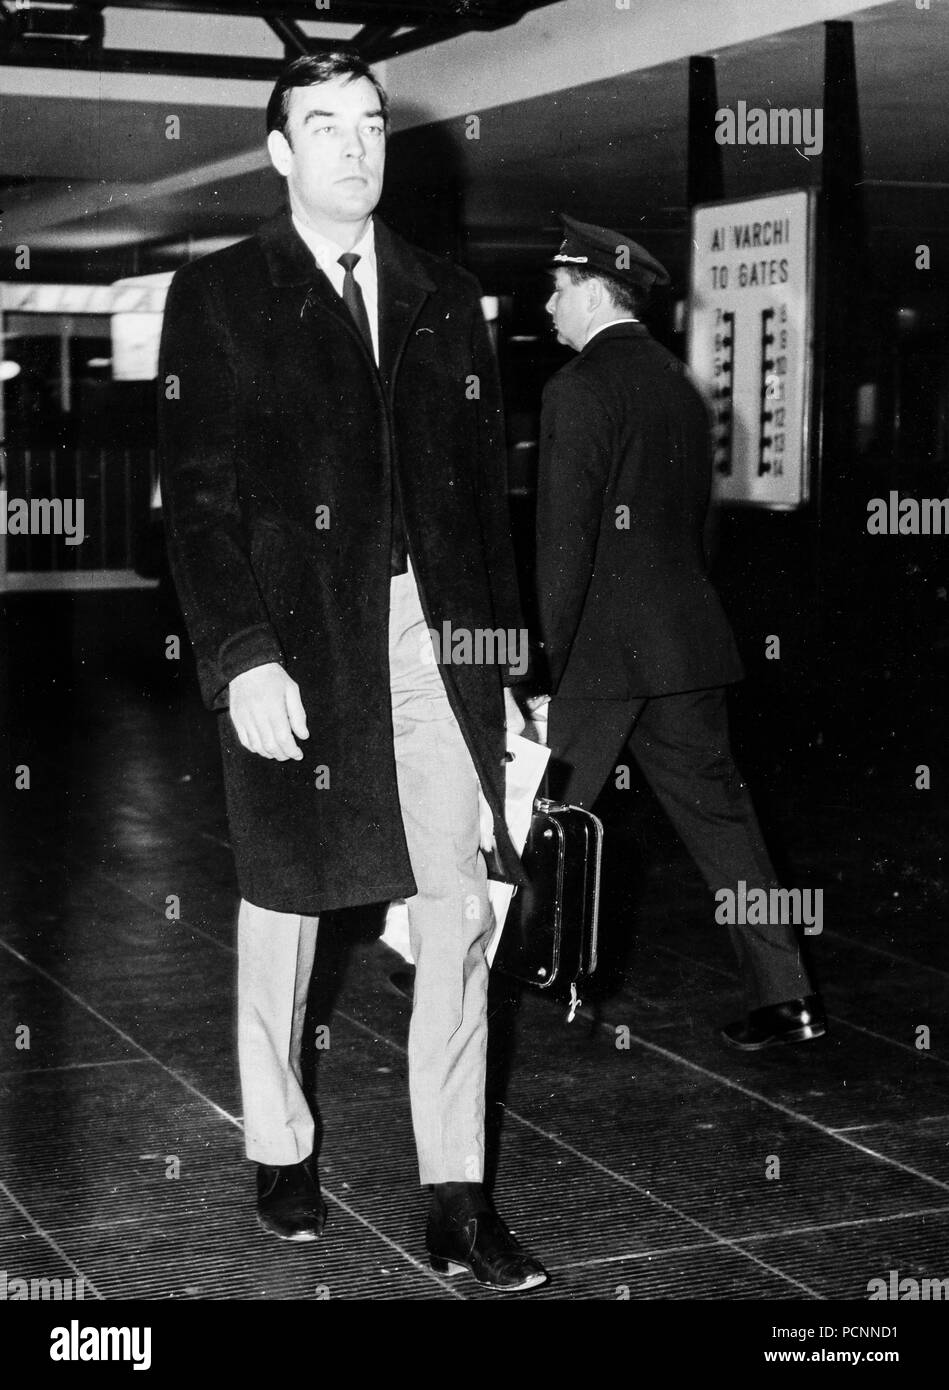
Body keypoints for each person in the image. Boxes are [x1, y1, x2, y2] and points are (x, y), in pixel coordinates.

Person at [158, 51, 547, 1292]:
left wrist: (508, 666)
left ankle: (457, 1194)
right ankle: (278, 1143)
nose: (353, 145)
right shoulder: (219, 296)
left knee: (459, 909)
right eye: (322, 126)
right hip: (295, 637)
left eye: (370, 123)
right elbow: (199, 503)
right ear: (279, 155)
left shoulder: (444, 295)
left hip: (433, 643)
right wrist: (240, 655)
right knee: (287, 901)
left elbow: (487, 505)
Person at [533, 214, 825, 1052]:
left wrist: (554, 658)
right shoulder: (677, 384)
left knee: (540, 813)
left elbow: (565, 541)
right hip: (687, 641)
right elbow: (700, 530)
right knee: (723, 824)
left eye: (556, 289)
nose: (548, 305)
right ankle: (787, 997)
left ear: (590, 291)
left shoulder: (578, 388)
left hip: (600, 650)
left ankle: (476, 968)